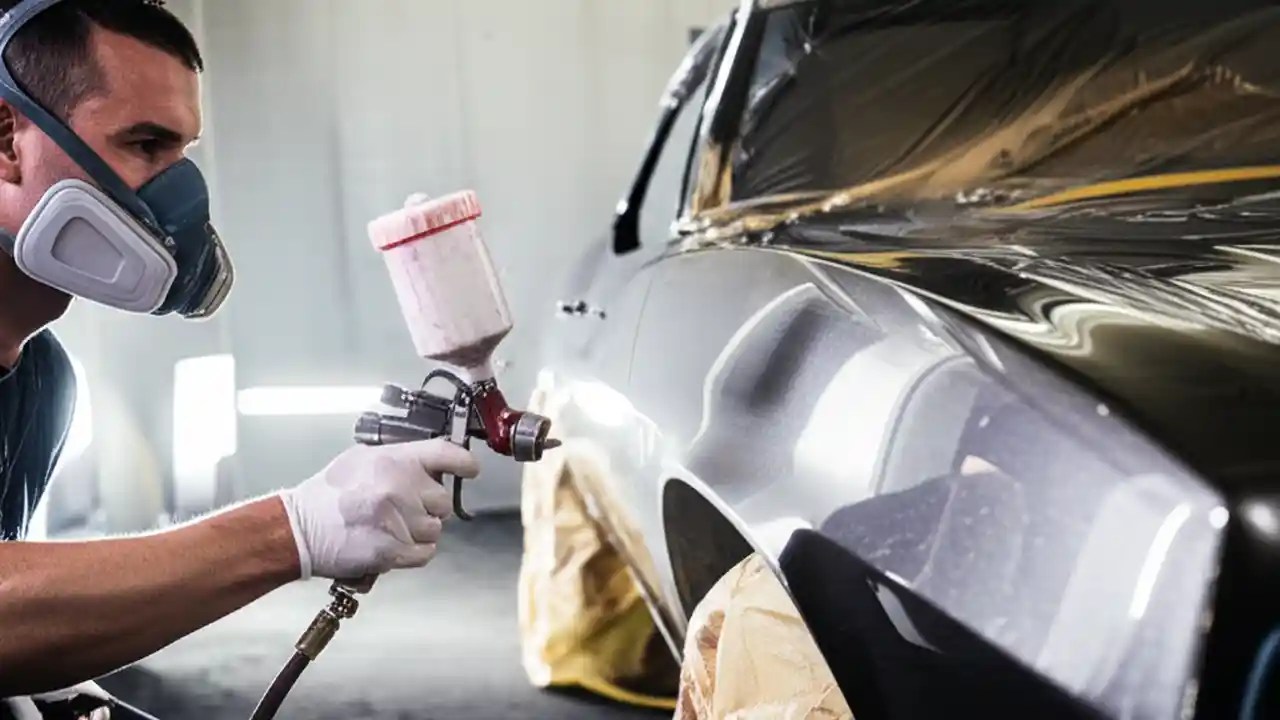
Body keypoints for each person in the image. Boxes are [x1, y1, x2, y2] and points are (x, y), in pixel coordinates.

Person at [0, 0, 478, 712]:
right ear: (8, 142)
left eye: (183, 156)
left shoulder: (43, 381)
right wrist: (294, 529)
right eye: (144, 145)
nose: (180, 198)